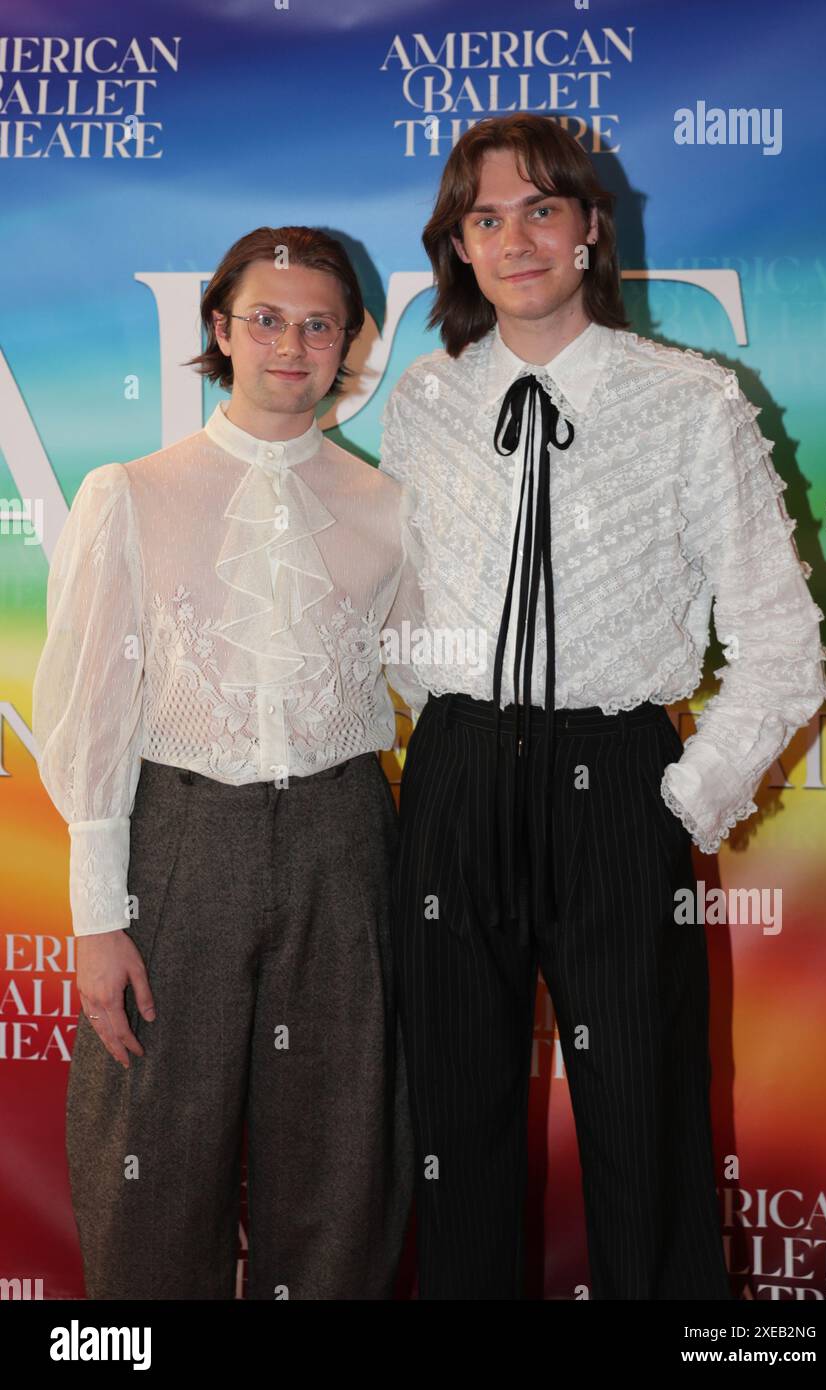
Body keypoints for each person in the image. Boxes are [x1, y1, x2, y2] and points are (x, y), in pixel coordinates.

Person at [376, 114, 826, 1299]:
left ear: (590, 229)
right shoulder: (423, 402)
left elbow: (785, 641)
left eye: (540, 209)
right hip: (456, 775)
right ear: (457, 246)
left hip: (617, 780)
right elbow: (395, 599)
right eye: (485, 217)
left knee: (647, 1126)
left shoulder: (690, 400)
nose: (515, 238)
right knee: (452, 1133)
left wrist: (681, 797)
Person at [32, 224, 427, 1300]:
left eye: (318, 323)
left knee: (343, 1166)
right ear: (219, 328)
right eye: (266, 318)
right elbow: (91, 716)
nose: (291, 345)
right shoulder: (132, 493)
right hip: (176, 844)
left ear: (349, 343)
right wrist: (96, 917)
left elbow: (437, 687)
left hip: (344, 844)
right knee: (149, 1158)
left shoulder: (388, 509)